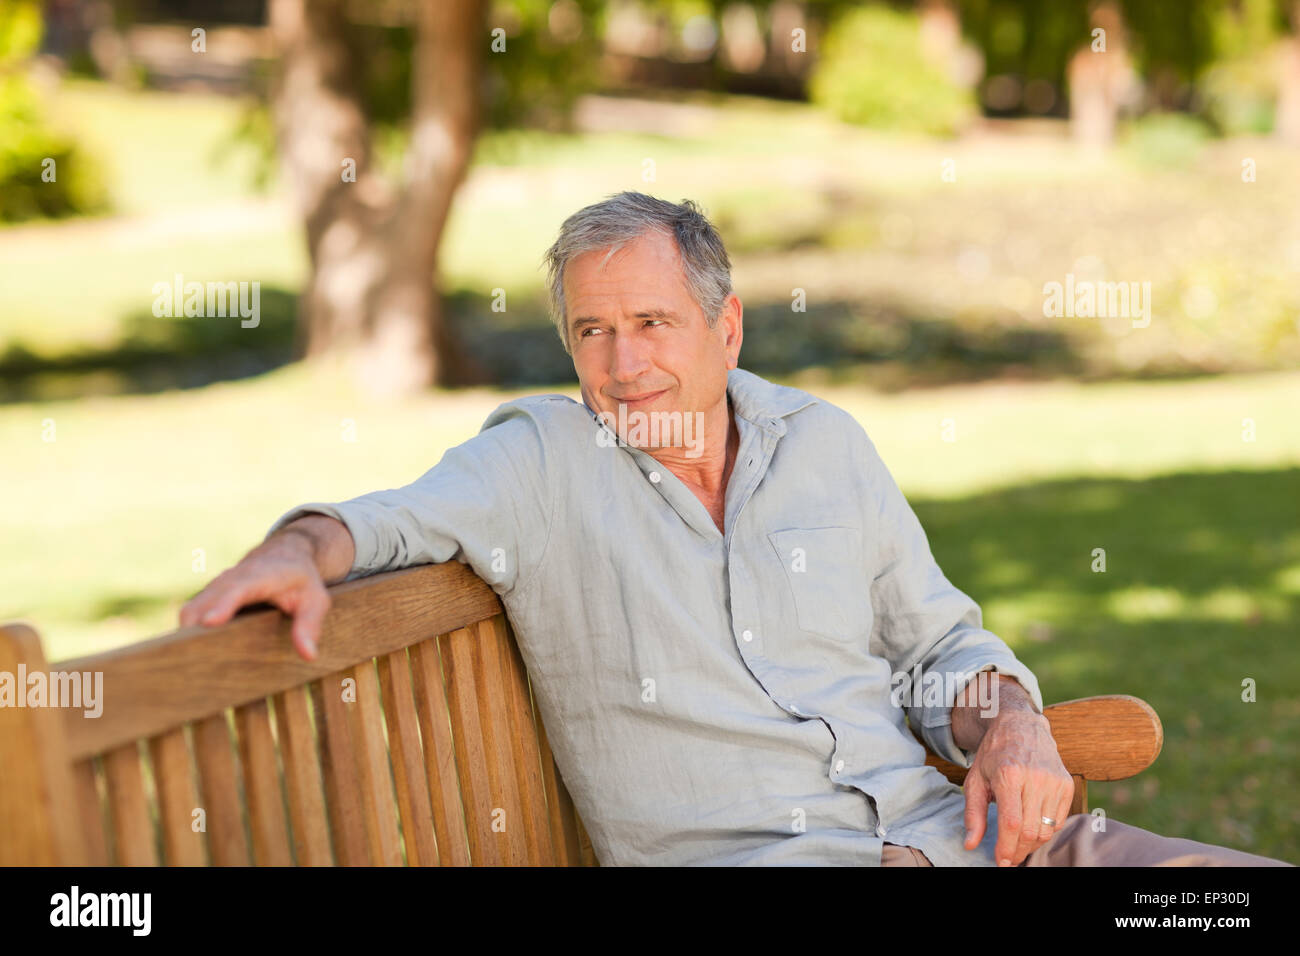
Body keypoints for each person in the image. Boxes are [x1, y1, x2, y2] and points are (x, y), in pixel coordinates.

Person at [180, 192, 1291, 868]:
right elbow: (382, 521)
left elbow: (934, 645)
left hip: (980, 843)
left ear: (726, 324)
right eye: (593, 331)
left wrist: (1008, 720)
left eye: (652, 321)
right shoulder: (540, 461)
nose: (623, 365)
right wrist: (293, 547)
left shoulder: (823, 443)